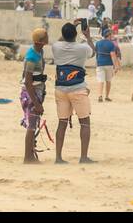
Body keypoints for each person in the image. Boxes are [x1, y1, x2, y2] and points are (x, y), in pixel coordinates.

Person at [52, 20, 96, 164]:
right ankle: (83, 157)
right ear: (76, 34)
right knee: (84, 123)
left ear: (63, 34)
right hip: (78, 88)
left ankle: (58, 157)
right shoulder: (82, 48)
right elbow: (93, 52)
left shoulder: (56, 47)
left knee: (62, 123)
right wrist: (88, 36)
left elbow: (59, 41)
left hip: (60, 88)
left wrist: (71, 25)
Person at [20, 27, 49, 163]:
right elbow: (27, 82)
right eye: (46, 36)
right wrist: (36, 103)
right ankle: (28, 157)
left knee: (33, 124)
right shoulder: (32, 57)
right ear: (41, 41)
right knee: (31, 126)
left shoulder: (39, 51)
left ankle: (31, 154)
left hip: (36, 91)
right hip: (31, 93)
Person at [94, 28, 121, 102]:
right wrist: (116, 66)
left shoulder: (98, 43)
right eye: (111, 34)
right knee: (108, 80)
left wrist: (96, 62)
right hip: (109, 64)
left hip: (100, 63)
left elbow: (97, 53)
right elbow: (113, 55)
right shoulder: (111, 44)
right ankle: (107, 96)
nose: (112, 35)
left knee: (100, 80)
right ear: (109, 35)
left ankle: (100, 96)